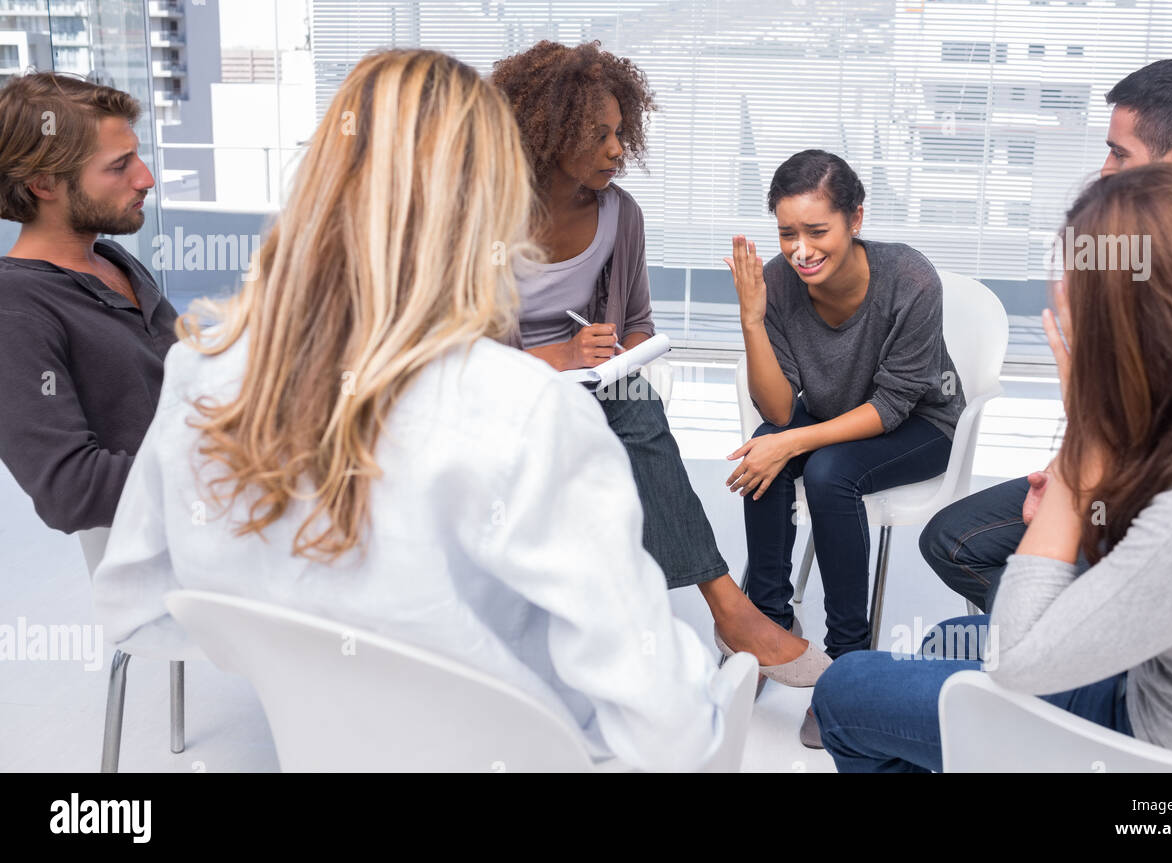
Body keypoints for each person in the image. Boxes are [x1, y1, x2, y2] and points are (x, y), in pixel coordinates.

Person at [91, 49, 732, 772]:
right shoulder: (528, 415)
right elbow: (672, 732)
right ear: (491, 200)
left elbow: (136, 607)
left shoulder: (203, 374)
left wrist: (316, 646)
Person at [812, 163, 1172, 772]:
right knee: (944, 645)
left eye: (1082, 325)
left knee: (846, 690)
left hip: (1150, 755)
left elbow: (1015, 659)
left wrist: (1081, 445)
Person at [490, 40, 828, 687]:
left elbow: (638, 317)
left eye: (620, 132)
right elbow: (446, 342)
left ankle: (715, 611)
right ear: (547, 132)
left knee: (633, 399)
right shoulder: (484, 217)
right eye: (598, 135)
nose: (618, 149)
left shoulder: (620, 215)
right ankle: (730, 609)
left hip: (588, 384)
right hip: (498, 386)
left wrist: (624, 349)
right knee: (636, 412)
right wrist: (556, 355)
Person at [921, 54, 1172, 613]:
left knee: (1026, 596)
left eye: (1120, 152)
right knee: (952, 541)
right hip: (1120, 464)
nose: (1105, 170)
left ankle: (1074, 639)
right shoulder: (1136, 242)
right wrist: (1072, 467)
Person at [727, 149, 966, 745]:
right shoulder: (779, 282)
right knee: (765, 448)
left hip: (920, 423)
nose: (801, 250)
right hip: (833, 411)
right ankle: (770, 628)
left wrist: (793, 441)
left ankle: (846, 666)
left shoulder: (910, 278)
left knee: (828, 471)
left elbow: (893, 405)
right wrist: (753, 320)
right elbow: (778, 411)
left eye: (817, 231)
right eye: (787, 233)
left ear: (855, 219)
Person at [0, 72, 176, 533]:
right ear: (44, 183)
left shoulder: (112, 260)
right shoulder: (14, 308)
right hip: (163, 547)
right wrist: (236, 470)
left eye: (137, 155)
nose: (146, 179)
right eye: (119, 166)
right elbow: (70, 491)